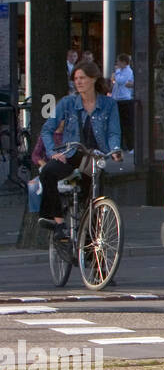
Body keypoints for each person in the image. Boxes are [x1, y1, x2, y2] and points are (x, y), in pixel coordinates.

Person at [37, 61, 122, 238]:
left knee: (93, 197)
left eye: (82, 78)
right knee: (48, 172)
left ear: (93, 78)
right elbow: (47, 129)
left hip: (94, 157)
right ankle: (58, 223)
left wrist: (114, 149)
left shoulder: (108, 104)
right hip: (71, 154)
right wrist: (53, 152)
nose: (79, 82)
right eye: (76, 79)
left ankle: (91, 247)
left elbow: (114, 132)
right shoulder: (67, 103)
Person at [111, 53, 135, 152]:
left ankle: (131, 146)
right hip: (118, 99)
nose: (117, 64)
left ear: (124, 62)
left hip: (125, 100)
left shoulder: (127, 71)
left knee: (127, 124)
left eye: (119, 62)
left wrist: (116, 73)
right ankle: (120, 145)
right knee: (118, 124)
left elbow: (121, 81)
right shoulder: (121, 71)